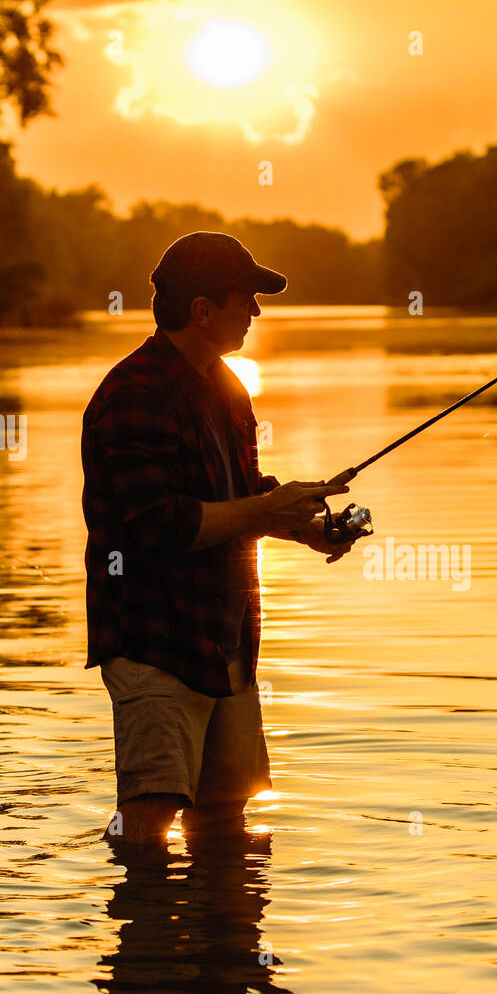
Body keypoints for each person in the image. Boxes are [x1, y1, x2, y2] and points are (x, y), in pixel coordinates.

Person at [81, 231, 359, 849]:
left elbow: (238, 491)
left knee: (226, 818)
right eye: (246, 299)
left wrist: (309, 529)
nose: (256, 312)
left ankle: (222, 943)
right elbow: (158, 525)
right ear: (203, 310)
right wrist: (267, 506)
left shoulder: (229, 388)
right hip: (154, 639)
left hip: (226, 643)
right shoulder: (133, 395)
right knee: (147, 818)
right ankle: (144, 935)